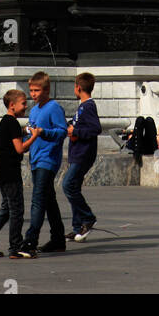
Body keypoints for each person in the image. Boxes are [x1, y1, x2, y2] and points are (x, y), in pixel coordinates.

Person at [0, 89, 39, 258]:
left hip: (2, 169)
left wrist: (25, 131)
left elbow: (13, 138)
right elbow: (19, 148)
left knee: (6, 207)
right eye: (23, 103)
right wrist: (34, 136)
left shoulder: (6, 122)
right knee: (16, 209)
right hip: (11, 170)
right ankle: (16, 246)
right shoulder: (12, 123)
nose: (26, 106)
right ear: (12, 105)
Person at [17, 71, 68, 258]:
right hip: (36, 158)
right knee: (48, 200)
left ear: (47, 90)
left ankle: (31, 240)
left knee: (38, 199)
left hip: (48, 159)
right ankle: (58, 240)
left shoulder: (54, 107)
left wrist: (44, 132)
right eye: (31, 90)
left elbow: (62, 131)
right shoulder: (34, 110)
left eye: (37, 90)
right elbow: (32, 133)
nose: (33, 94)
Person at [63, 71, 102, 241]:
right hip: (77, 153)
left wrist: (76, 131)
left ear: (78, 88)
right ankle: (78, 227)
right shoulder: (83, 107)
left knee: (68, 185)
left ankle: (87, 217)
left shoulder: (88, 106)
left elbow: (95, 129)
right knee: (74, 187)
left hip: (83, 154)